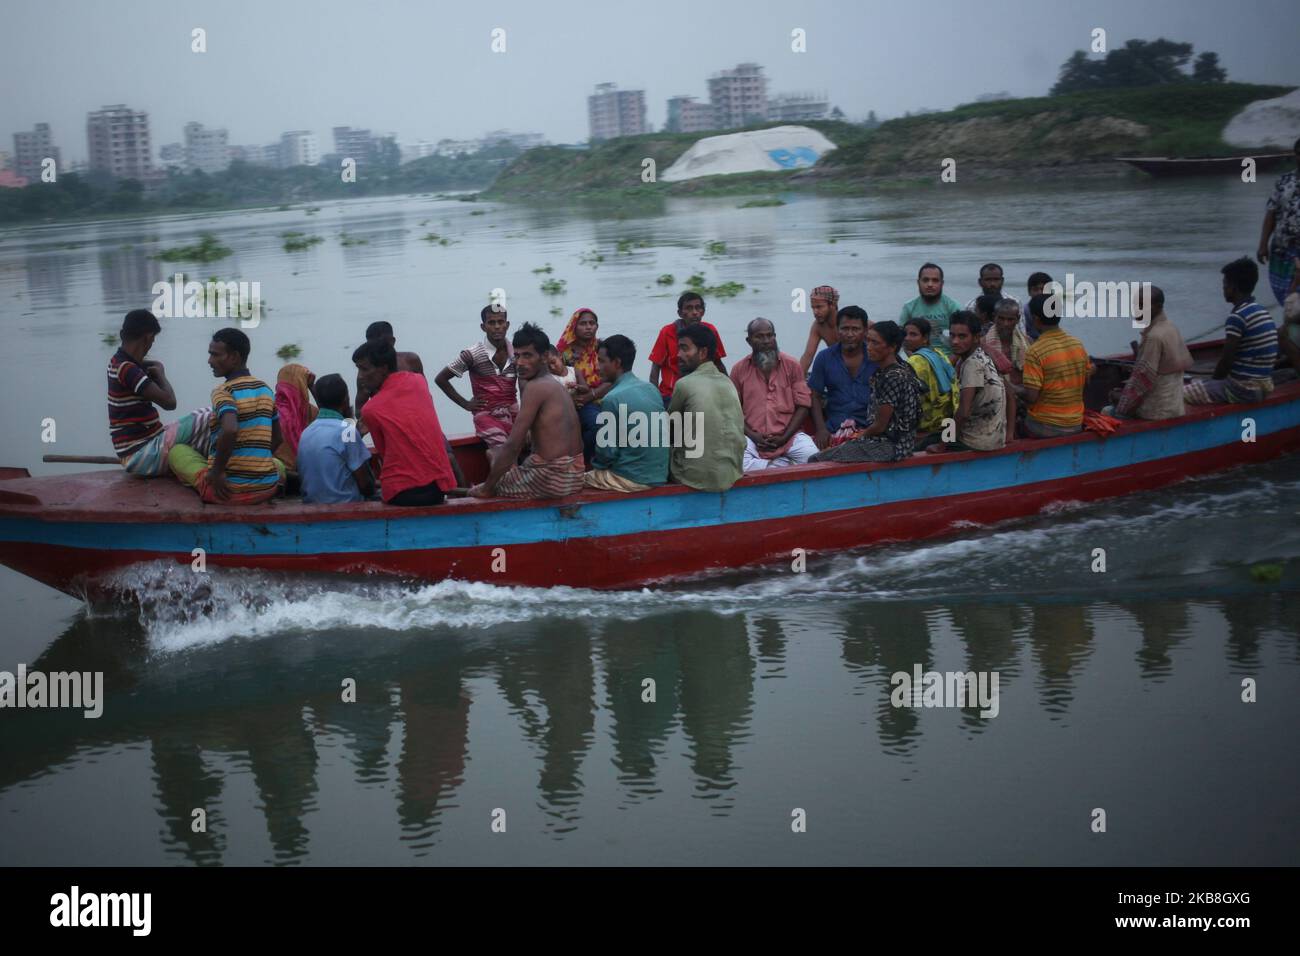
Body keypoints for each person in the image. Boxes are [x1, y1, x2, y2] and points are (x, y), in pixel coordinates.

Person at [169, 328, 286, 504]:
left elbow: (230, 429)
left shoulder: (223, 391)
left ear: (234, 357)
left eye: (215, 355)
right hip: (266, 489)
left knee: (177, 452)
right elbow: (277, 438)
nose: (210, 361)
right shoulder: (265, 390)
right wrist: (256, 464)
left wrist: (217, 472)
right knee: (277, 465)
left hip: (228, 493)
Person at [470, 323, 585, 499]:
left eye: (527, 356)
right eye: (516, 356)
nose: (520, 363)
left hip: (553, 480)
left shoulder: (535, 388)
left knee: (491, 460)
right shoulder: (554, 384)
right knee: (501, 459)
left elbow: (512, 446)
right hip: (576, 474)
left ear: (545, 356)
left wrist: (487, 489)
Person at [107, 308, 212, 477]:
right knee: (212, 416)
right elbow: (170, 402)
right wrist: (161, 374)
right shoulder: (128, 369)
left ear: (122, 335)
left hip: (138, 452)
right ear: (148, 338)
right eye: (153, 340)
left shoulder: (117, 363)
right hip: (143, 454)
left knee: (204, 412)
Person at [355, 340, 457, 506]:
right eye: (358, 369)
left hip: (401, 493)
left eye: (364, 369)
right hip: (438, 489)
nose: (360, 376)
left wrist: (349, 430)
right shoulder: (419, 382)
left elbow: (383, 452)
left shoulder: (369, 408)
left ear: (383, 368)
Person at [810, 321, 925, 463]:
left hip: (891, 447)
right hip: (883, 441)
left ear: (892, 347)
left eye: (875, 343)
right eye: (868, 341)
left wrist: (855, 437)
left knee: (816, 459)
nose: (868, 347)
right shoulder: (894, 370)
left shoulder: (893, 377)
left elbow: (879, 425)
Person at [1184, 257, 1289, 406]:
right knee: (1202, 384)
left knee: (1182, 393)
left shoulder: (1237, 317)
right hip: (1264, 386)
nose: (1223, 289)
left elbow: (1226, 361)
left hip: (1242, 390)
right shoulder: (1261, 311)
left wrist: (1213, 382)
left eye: (1225, 285)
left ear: (1233, 287)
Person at [667, 323, 746, 491]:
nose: (678, 355)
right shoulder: (728, 382)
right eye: (678, 349)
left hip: (695, 477)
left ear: (702, 353)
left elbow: (668, 431)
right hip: (732, 473)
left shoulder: (683, 384)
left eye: (684, 349)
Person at [731, 318, 817, 471]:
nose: (766, 341)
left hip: (789, 435)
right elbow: (732, 412)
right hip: (753, 437)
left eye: (770, 336)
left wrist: (784, 437)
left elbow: (803, 405)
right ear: (749, 341)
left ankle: (771, 467)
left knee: (813, 457)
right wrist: (753, 436)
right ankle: (784, 465)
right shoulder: (739, 370)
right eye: (760, 336)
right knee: (736, 461)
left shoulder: (792, 365)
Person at [586, 334, 669, 492]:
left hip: (632, 479)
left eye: (602, 361)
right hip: (660, 474)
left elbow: (606, 454)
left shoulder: (611, 398)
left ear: (617, 363)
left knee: (579, 480)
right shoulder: (651, 389)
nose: (597, 366)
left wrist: (595, 465)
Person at [435, 306, 518, 453]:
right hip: (487, 415)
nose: (497, 327)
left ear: (507, 324)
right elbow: (441, 379)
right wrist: (466, 404)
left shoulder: (516, 354)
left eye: (500, 322)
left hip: (514, 413)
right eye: (491, 323)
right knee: (503, 452)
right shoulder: (472, 354)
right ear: (483, 327)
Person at [1105, 286, 1194, 421]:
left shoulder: (1154, 337)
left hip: (1157, 411)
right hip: (1175, 406)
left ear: (1158, 307)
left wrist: (1121, 404)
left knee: (1107, 410)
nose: (1136, 310)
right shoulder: (1171, 327)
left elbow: (1142, 381)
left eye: (1142, 306)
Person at [927, 311, 1009, 453]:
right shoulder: (982, 356)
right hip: (994, 437)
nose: (955, 341)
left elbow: (963, 412)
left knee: (928, 441)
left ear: (976, 337)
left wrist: (941, 446)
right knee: (941, 430)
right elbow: (1010, 393)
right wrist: (1010, 433)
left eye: (962, 336)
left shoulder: (972, 365)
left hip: (978, 441)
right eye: (952, 335)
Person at [1020, 293, 1092, 438]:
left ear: (1035, 319)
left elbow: (1031, 397)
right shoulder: (1077, 344)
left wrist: (1012, 389)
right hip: (1076, 422)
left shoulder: (1035, 351)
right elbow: (1087, 382)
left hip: (1046, 425)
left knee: (1018, 421)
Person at [296, 373, 375, 504]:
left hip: (312, 503)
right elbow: (365, 485)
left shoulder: (307, 432)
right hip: (344, 504)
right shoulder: (347, 429)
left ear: (319, 402)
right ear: (345, 399)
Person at [808, 306, 877, 448]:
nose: (849, 334)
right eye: (845, 329)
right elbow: (814, 396)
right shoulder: (824, 358)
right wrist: (821, 429)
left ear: (865, 331)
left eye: (855, 329)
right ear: (837, 331)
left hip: (870, 428)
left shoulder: (876, 357)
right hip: (834, 427)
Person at [648, 292, 727, 407]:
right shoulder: (667, 332)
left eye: (698, 308)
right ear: (680, 313)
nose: (694, 312)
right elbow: (655, 368)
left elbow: (718, 364)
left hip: (704, 390)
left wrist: (729, 388)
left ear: (703, 312)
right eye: (689, 308)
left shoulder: (710, 331)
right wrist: (655, 401)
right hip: (671, 394)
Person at [556, 307, 610, 466]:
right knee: (595, 424)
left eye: (592, 323)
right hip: (572, 401)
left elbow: (612, 379)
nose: (588, 327)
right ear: (574, 327)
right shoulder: (563, 354)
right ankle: (585, 462)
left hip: (599, 397)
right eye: (583, 324)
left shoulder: (602, 348)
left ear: (597, 326)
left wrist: (591, 395)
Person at [1256, 138, 1300, 307]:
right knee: (1284, 294)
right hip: (1282, 249)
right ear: (1295, 156)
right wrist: (1263, 244)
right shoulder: (1284, 181)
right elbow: (1271, 213)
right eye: (1299, 154)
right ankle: (1290, 326)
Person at [355, 321, 424, 420]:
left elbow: (424, 395)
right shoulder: (365, 375)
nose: (376, 348)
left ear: (392, 341)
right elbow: (359, 411)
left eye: (381, 344)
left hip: (417, 419)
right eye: (371, 345)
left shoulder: (411, 360)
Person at [902, 317, 956, 440]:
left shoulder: (914, 362)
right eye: (905, 334)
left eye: (913, 335)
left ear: (925, 338)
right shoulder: (939, 353)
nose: (907, 338)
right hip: (945, 419)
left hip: (927, 423)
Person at [899, 263, 961, 353]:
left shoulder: (953, 307)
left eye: (935, 280)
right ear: (918, 282)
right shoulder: (909, 307)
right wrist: (914, 360)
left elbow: (962, 342)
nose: (930, 284)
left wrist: (946, 364)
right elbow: (903, 339)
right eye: (925, 280)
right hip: (918, 359)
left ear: (942, 283)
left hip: (948, 359)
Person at [272, 363, 317, 470]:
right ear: (302, 385)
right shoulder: (309, 411)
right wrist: (312, 387)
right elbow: (331, 419)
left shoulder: (270, 409)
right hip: (305, 473)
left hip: (279, 474)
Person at [983, 298, 1029, 384]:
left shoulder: (1028, 342)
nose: (1005, 324)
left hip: (1022, 393)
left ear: (1018, 319)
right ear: (994, 317)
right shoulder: (983, 343)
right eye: (1001, 319)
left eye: (1010, 319)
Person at [799, 284, 841, 374]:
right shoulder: (818, 326)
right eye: (813, 308)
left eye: (819, 307)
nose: (815, 312)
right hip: (838, 368)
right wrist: (796, 381)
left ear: (832, 305)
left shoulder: (849, 321)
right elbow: (807, 356)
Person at [1023, 272, 1052, 343]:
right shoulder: (1024, 311)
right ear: (1029, 292)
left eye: (1043, 290)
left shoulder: (1053, 309)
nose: (1040, 293)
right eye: (1035, 290)